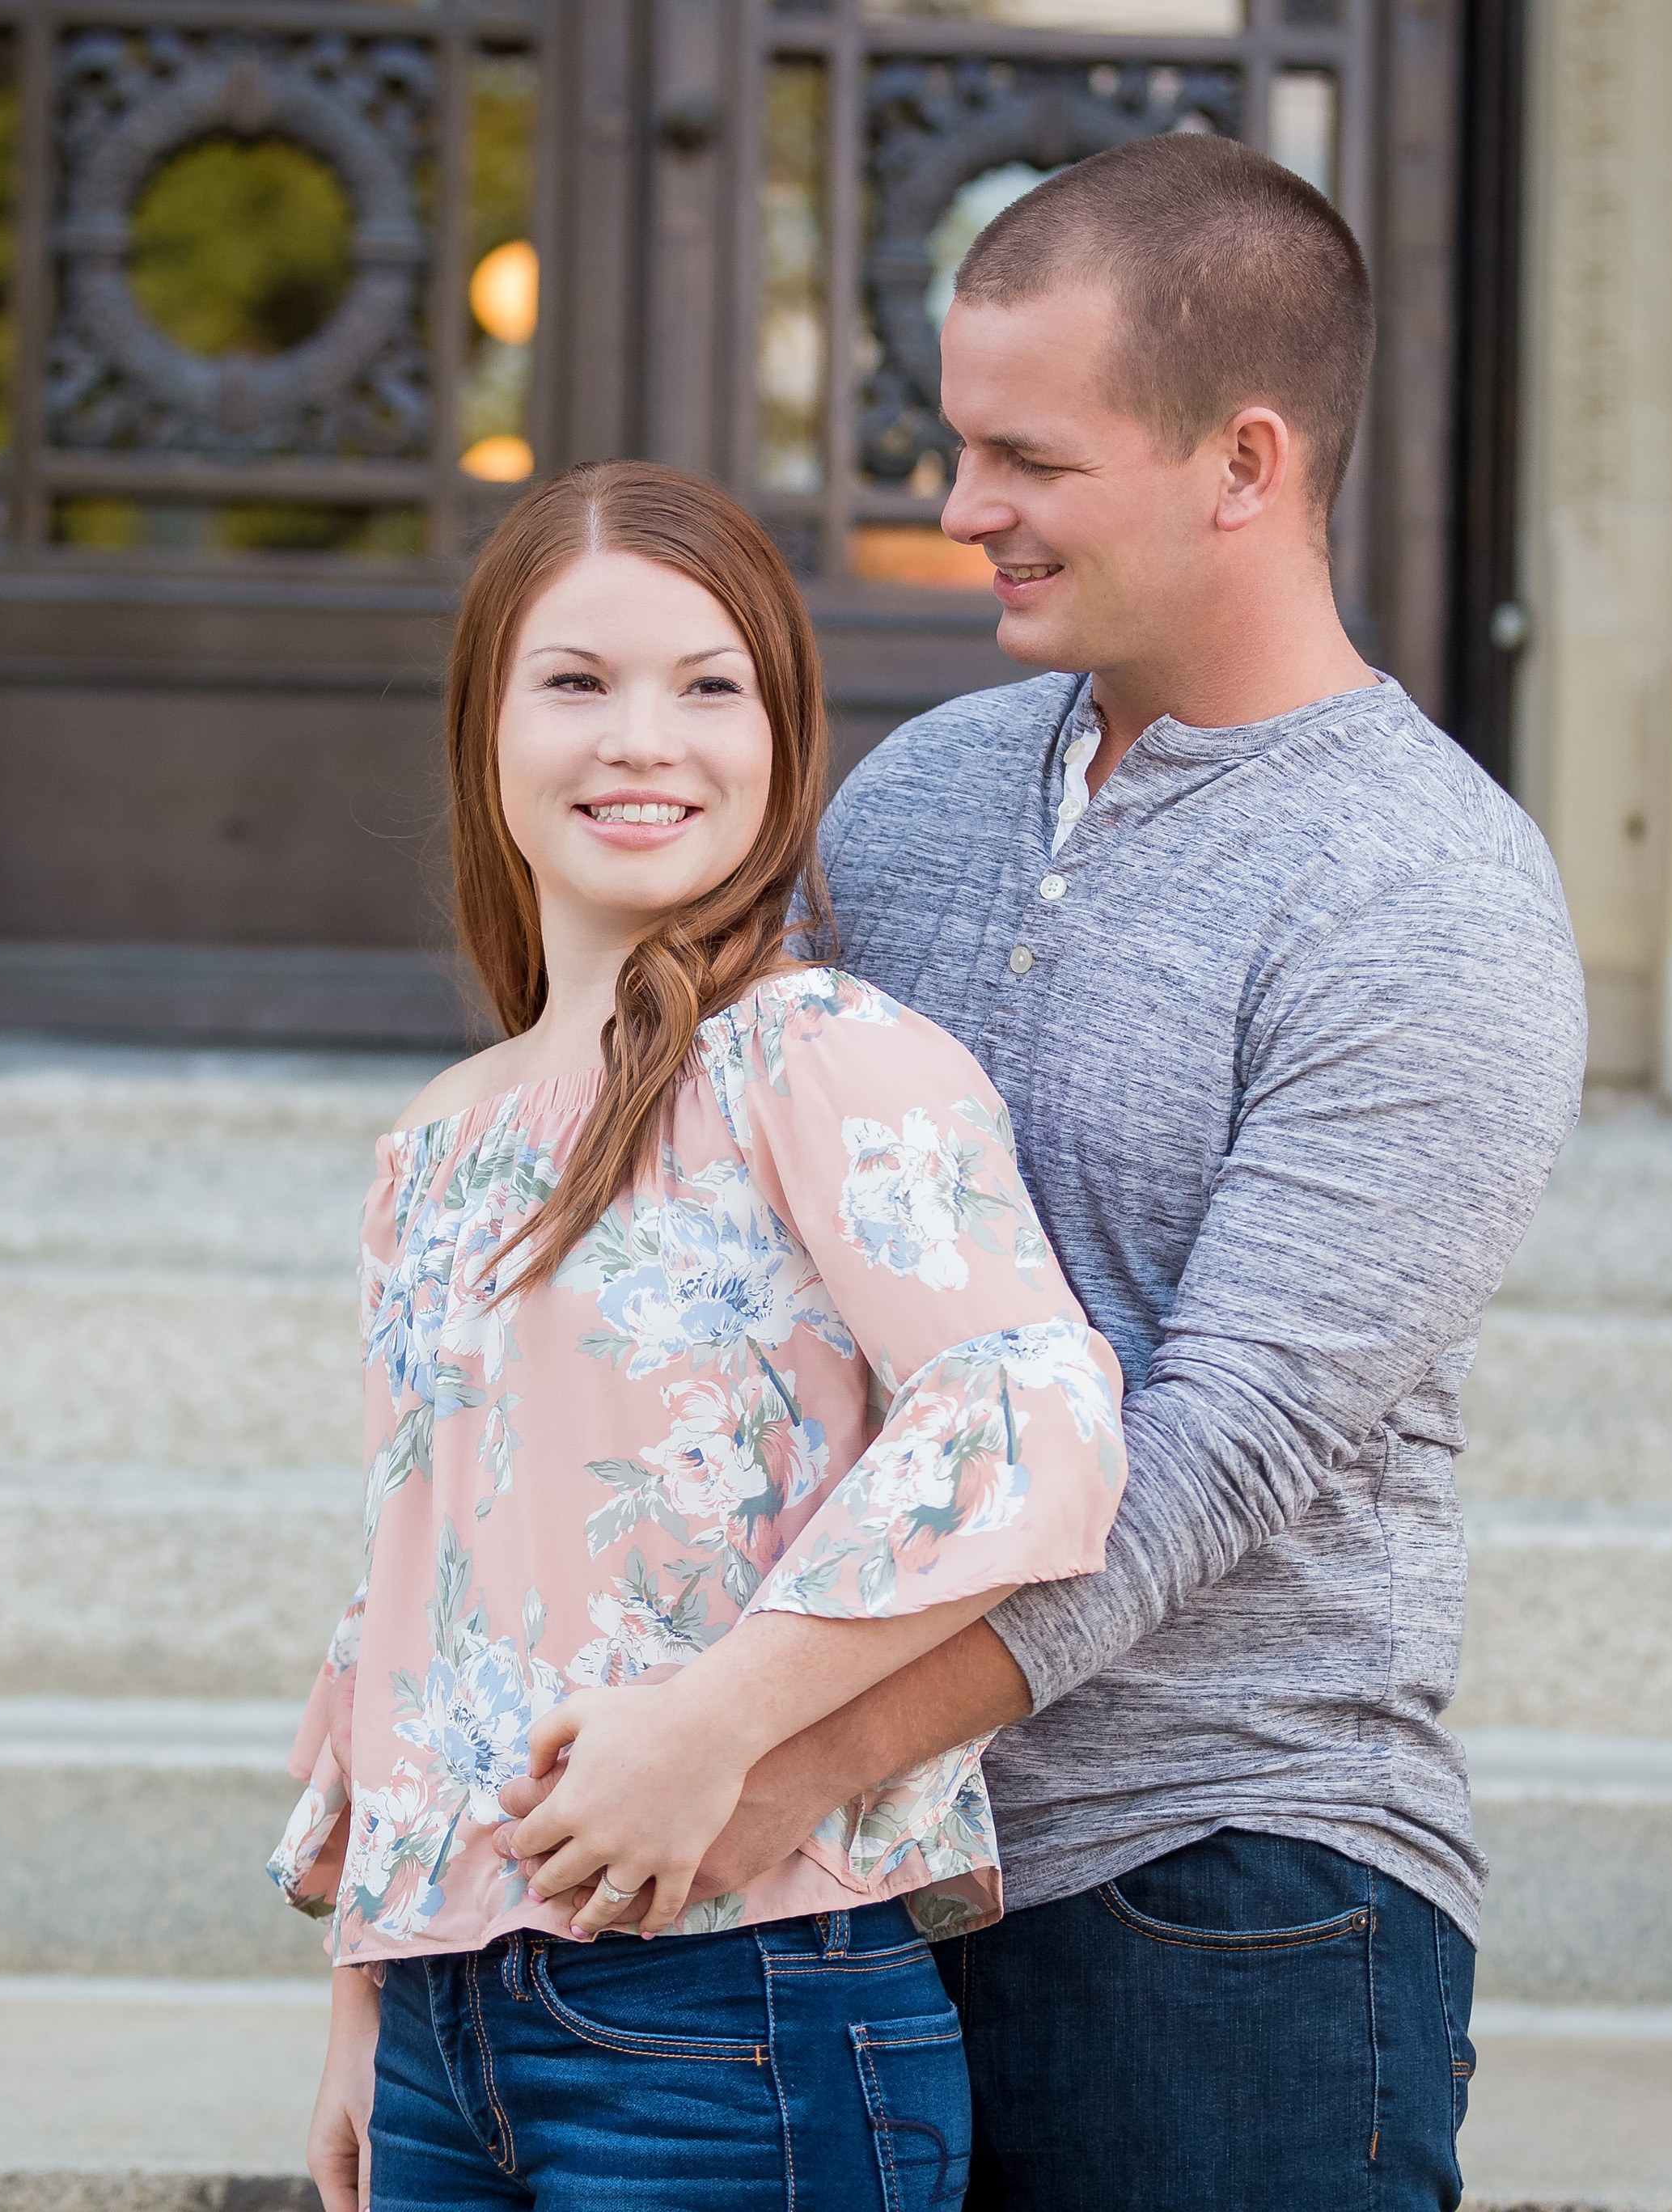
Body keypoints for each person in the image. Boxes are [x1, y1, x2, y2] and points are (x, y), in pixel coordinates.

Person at [502, 134, 1589, 2210]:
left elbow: (1217, 1455)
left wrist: (771, 1757)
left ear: (1242, 463)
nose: (960, 509)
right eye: (954, 442)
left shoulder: (1431, 897)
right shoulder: (922, 793)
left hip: (1223, 1898)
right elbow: (707, 1286)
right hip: (843, 1907)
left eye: (1027, 458)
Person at [273, 459, 1130, 2212]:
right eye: (576, 682)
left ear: (783, 730)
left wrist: (722, 1722)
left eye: (708, 685)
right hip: (449, 2031)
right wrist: (369, 1988)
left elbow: (1034, 1417)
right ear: (487, 731)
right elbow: (413, 1588)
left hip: (743, 1999)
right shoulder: (441, 1137)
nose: (641, 740)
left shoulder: (819, 1054)